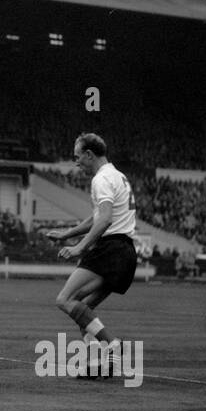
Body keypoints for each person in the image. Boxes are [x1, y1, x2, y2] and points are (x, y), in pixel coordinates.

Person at [45, 133, 136, 375]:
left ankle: (113, 346)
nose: (77, 163)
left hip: (110, 249)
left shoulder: (101, 179)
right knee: (84, 310)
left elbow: (104, 219)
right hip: (125, 253)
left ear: (89, 154)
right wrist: (67, 234)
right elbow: (98, 216)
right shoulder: (117, 175)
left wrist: (79, 247)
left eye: (78, 158)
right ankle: (95, 366)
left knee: (64, 299)